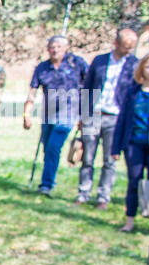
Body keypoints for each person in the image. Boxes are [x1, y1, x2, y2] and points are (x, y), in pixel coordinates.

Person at [112, 53, 149, 233]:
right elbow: (122, 120)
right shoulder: (133, 92)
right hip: (134, 144)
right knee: (134, 182)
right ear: (142, 70)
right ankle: (130, 221)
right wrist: (116, 146)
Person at [78, 28, 139, 208]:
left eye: (131, 48)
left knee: (110, 160)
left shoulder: (134, 64)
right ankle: (83, 193)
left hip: (116, 118)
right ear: (116, 44)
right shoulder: (100, 61)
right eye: (126, 47)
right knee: (87, 158)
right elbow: (87, 88)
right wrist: (83, 114)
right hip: (93, 114)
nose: (128, 51)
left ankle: (103, 197)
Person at [24, 34, 87, 196]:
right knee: (48, 148)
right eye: (52, 47)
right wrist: (27, 114)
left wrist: (84, 115)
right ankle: (49, 178)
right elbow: (33, 90)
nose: (55, 50)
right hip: (48, 113)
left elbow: (89, 87)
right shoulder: (42, 67)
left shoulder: (77, 64)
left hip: (69, 113)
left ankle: (46, 184)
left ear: (66, 48)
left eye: (59, 46)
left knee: (53, 147)